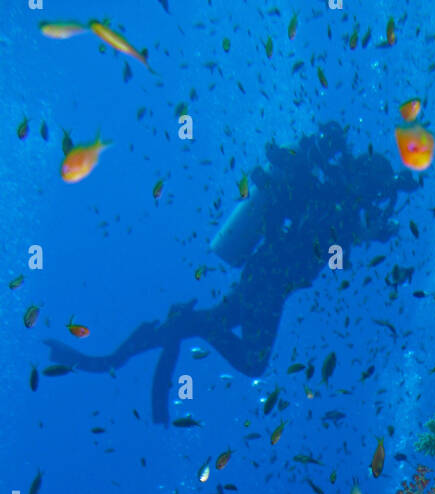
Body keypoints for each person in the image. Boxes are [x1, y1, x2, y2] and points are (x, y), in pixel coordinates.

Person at [45, 124, 411, 424]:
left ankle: (126, 351)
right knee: (253, 361)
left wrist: (360, 232)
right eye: (375, 193)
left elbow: (327, 247)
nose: (375, 201)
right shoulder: (339, 205)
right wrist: (364, 232)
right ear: (366, 185)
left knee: (213, 322)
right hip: (270, 281)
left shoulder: (329, 195)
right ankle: (181, 326)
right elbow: (334, 254)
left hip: (266, 276)